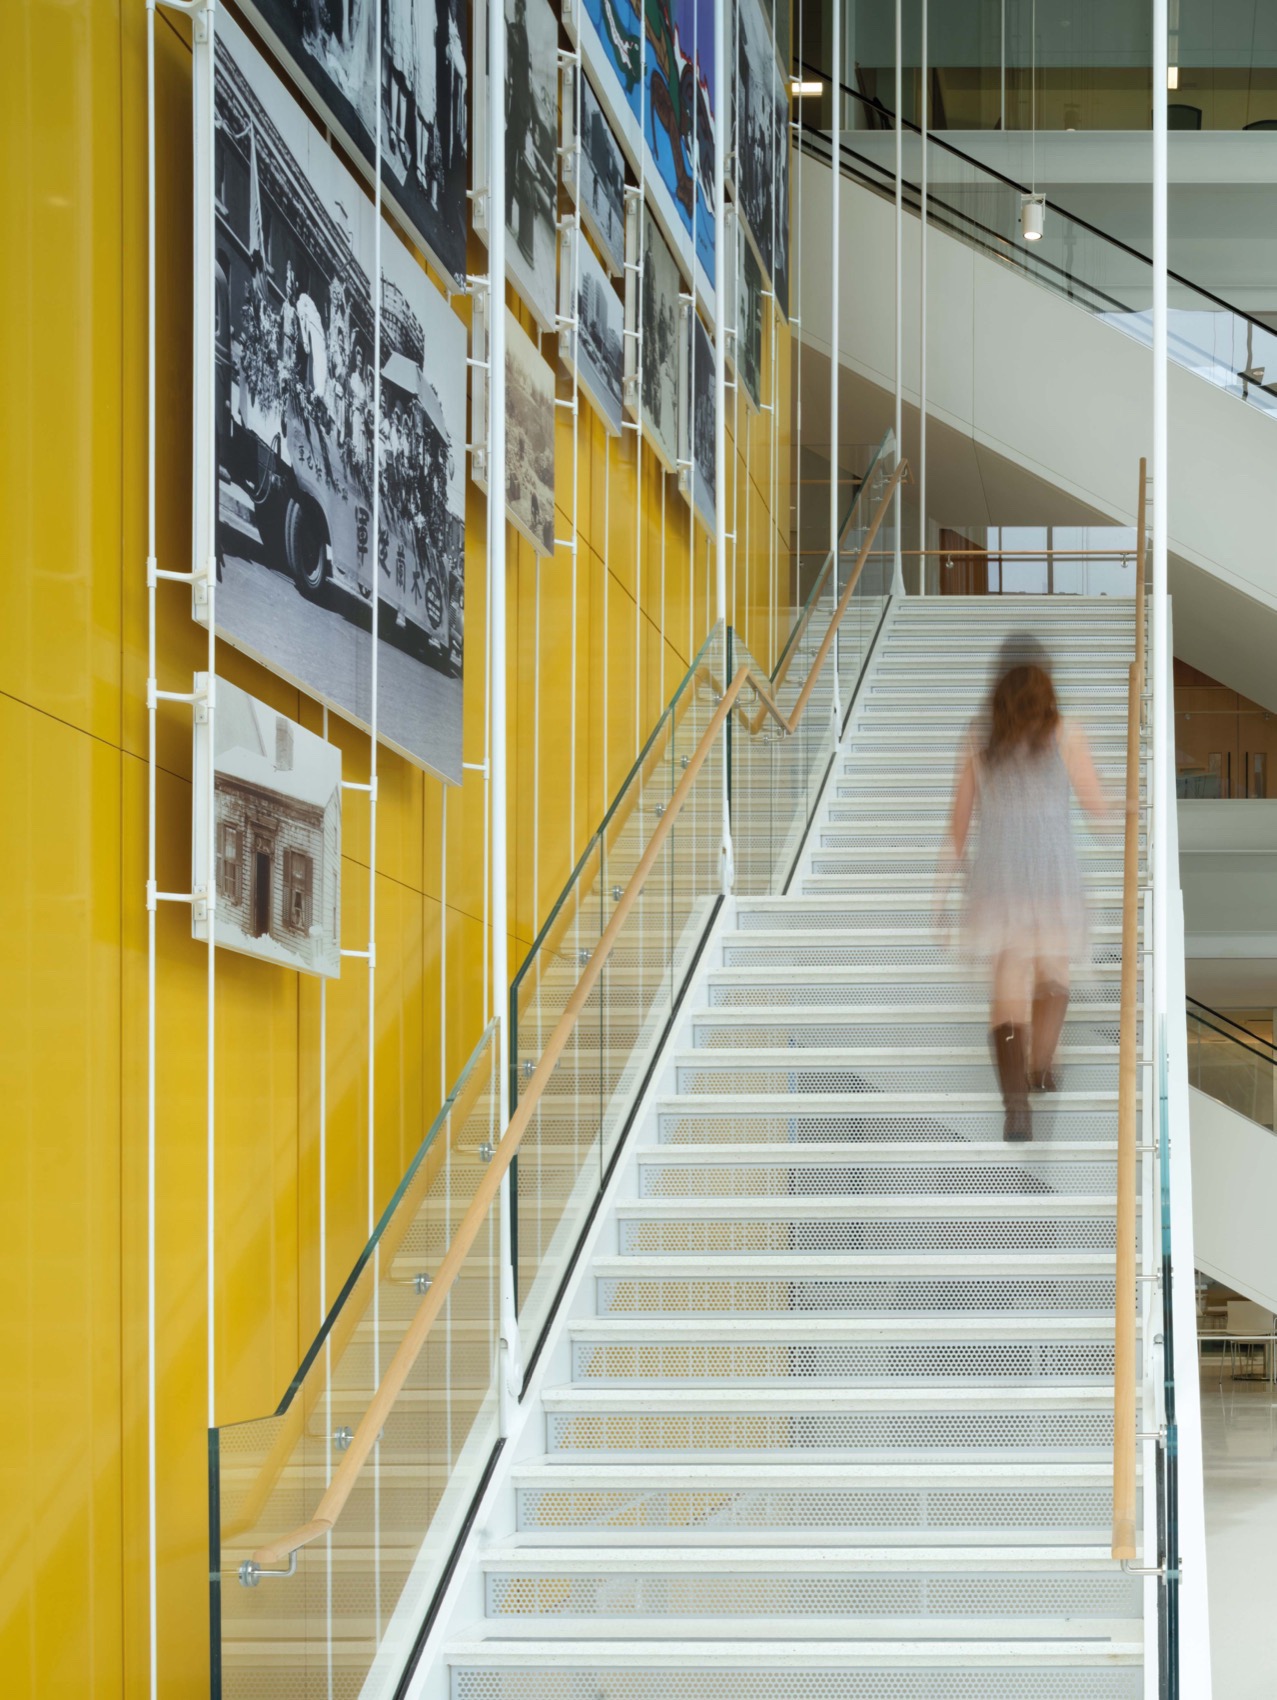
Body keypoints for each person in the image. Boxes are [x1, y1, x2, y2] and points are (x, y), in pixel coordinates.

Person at [939, 635, 1107, 1142]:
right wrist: (1129, 809)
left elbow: (957, 827)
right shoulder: (1066, 733)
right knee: (1054, 968)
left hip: (999, 879)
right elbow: (1098, 812)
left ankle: (1017, 1109)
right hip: (1053, 877)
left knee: (1008, 983)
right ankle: (1040, 1068)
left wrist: (939, 896)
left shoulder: (977, 738)